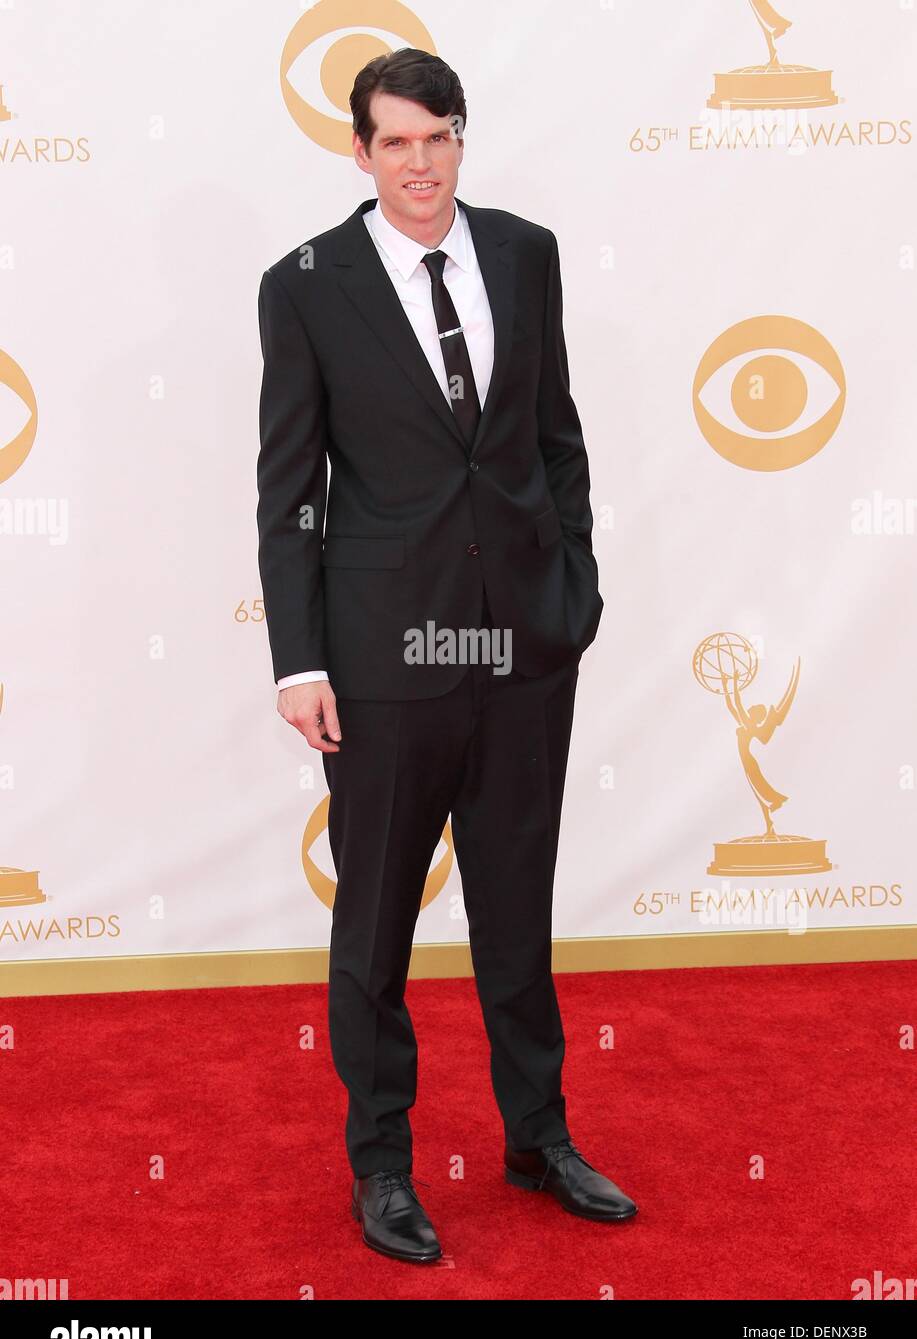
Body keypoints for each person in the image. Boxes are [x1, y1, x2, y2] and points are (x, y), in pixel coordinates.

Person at [255, 47, 637, 1264]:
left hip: (522, 647)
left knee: (516, 913)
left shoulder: (526, 253)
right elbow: (289, 492)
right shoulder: (304, 284)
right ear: (357, 152)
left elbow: (554, 436)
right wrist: (299, 659)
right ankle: (382, 1166)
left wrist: (569, 593)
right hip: (382, 658)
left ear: (461, 138)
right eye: (394, 143)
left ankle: (538, 1137)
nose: (418, 165)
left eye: (438, 138)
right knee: (372, 929)